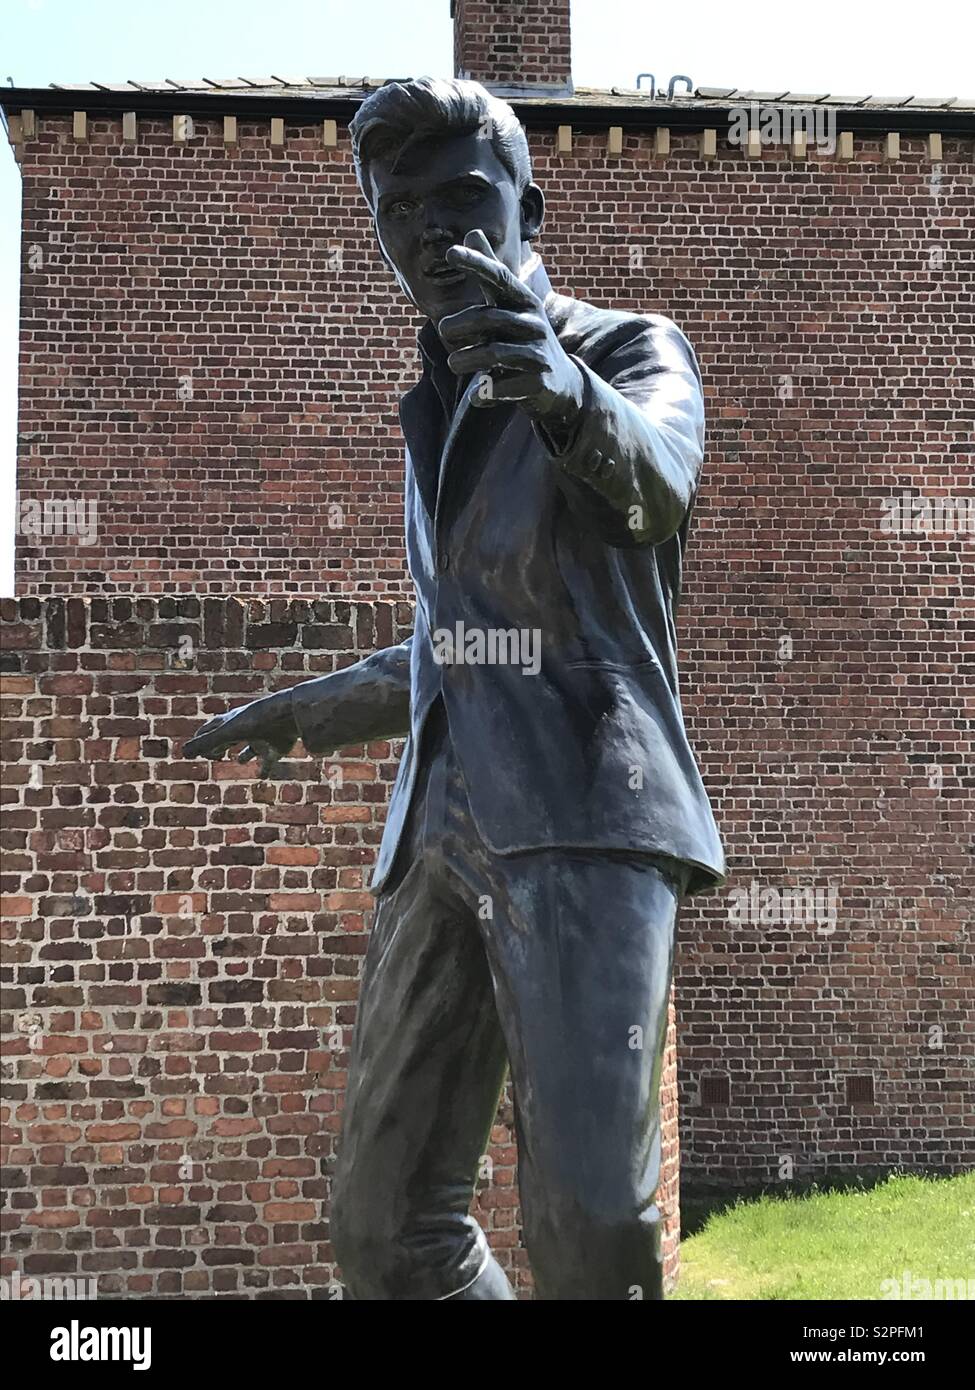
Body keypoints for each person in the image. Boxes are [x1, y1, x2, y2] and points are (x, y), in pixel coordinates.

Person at [185, 76, 726, 1300]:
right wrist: (321, 703)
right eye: (399, 210)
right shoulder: (430, 404)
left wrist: (562, 393)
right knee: (384, 1226)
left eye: (464, 199)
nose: (433, 231)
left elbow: (659, 485)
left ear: (531, 201)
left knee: (593, 1222)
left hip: (588, 811)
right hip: (437, 835)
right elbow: (468, 642)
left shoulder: (626, 349)